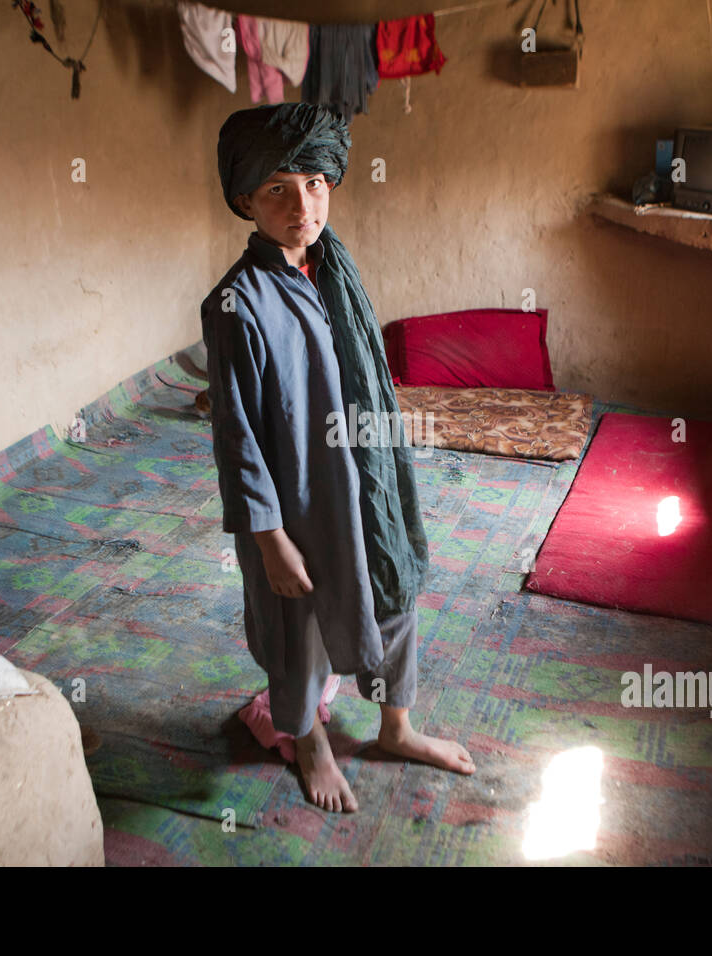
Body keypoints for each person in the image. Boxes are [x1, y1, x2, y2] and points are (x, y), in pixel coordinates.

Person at [201, 103, 475, 813]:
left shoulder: (334, 268)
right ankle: (309, 741)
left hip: (367, 480)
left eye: (317, 183)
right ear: (244, 200)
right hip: (300, 497)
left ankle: (396, 728)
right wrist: (268, 538)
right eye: (278, 190)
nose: (303, 205)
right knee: (302, 627)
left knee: (391, 586)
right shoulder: (237, 303)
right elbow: (236, 434)